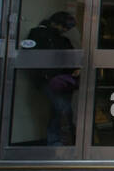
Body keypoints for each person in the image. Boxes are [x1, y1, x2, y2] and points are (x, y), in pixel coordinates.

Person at [25, 11, 79, 146]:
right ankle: (60, 140)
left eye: (67, 28)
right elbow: (29, 56)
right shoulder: (40, 34)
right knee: (63, 109)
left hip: (60, 79)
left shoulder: (62, 39)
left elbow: (72, 59)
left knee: (59, 110)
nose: (65, 30)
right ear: (56, 23)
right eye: (64, 27)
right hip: (49, 78)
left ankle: (58, 140)